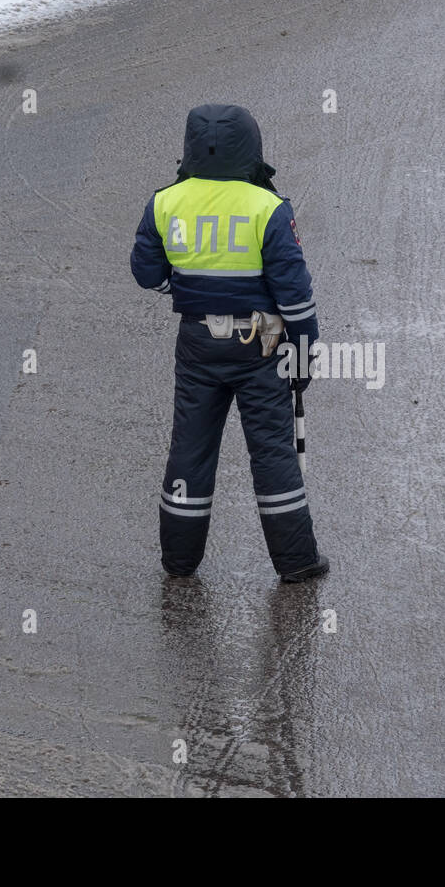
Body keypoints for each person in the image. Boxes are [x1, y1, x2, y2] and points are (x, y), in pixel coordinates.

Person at [130, 104, 330, 583]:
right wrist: (302, 355)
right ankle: (296, 561)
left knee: (190, 449)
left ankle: (179, 562)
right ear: (252, 147)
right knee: (272, 454)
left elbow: (145, 273)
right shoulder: (269, 208)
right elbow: (295, 297)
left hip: (197, 344)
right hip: (262, 348)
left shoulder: (164, 202)